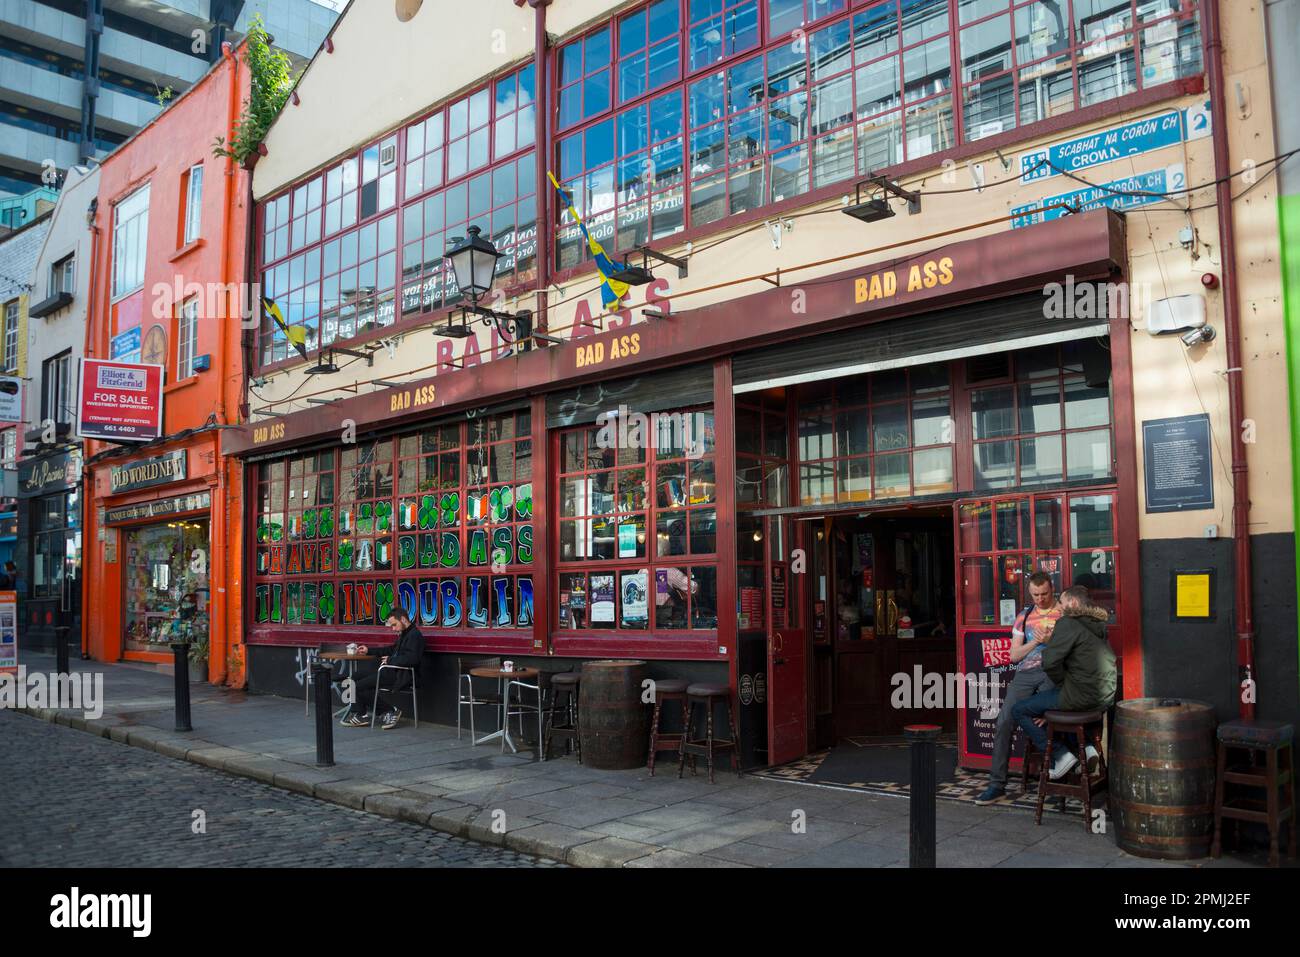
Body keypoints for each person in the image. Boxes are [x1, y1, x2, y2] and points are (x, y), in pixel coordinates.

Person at [1009, 585, 1117, 781]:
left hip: (1081, 696)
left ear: (1073, 603)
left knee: (1020, 710)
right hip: (1104, 698)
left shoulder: (1068, 622)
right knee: (1056, 707)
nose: (1058, 607)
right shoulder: (1096, 624)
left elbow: (1050, 662)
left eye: (1061, 602)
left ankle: (1061, 756)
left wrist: (1061, 684)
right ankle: (1087, 749)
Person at [975, 572, 1061, 805]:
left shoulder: (1064, 612)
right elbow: (1014, 656)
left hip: (1053, 671)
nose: (1040, 599)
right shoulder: (1024, 616)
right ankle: (996, 785)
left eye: (1044, 594)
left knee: (1051, 719)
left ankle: (1057, 776)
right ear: (1030, 592)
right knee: (1003, 721)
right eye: (1035, 595)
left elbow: (1071, 650)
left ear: (1052, 589)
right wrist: (1036, 641)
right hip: (1025, 673)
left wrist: (1052, 641)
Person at [340, 609, 425, 730]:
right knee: (355, 677)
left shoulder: (415, 636)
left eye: (394, 625)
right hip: (390, 671)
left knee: (358, 686)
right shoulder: (405, 634)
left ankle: (389, 711)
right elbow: (391, 650)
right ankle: (361, 714)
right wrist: (369, 651)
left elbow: (413, 659)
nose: (393, 629)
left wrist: (390, 660)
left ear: (403, 619)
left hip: (402, 675)